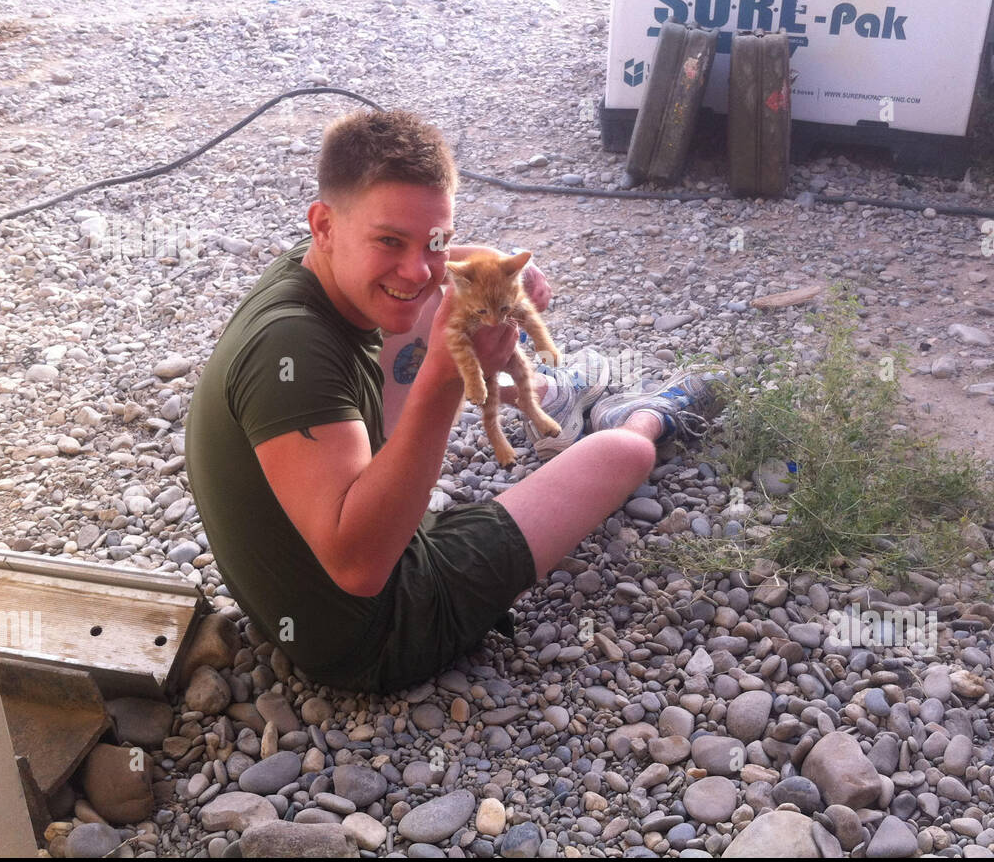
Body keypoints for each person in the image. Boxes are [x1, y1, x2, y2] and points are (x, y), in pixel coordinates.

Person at [184, 108, 726, 695]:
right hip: (373, 634)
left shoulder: (312, 272)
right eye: (390, 240)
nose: (418, 266)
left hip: (307, 589)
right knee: (621, 455)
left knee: (416, 300)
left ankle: (544, 394)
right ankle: (647, 413)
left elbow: (416, 266)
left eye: (436, 241)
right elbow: (358, 569)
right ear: (324, 225)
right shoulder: (290, 351)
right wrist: (446, 380)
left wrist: (492, 263)